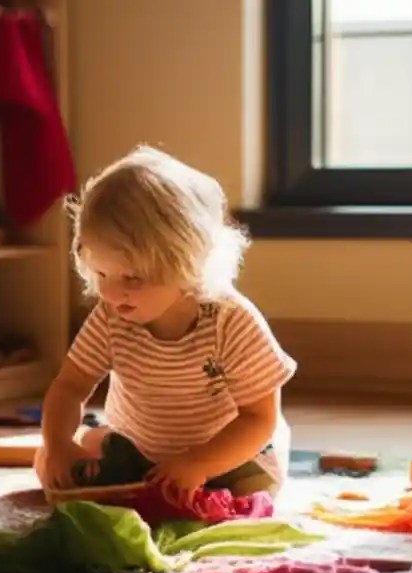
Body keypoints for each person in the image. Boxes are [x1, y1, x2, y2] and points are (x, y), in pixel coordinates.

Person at [35, 145, 296, 507]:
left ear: (189, 264)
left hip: (228, 456)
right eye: (100, 273)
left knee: (247, 498)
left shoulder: (230, 320)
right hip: (138, 449)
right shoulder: (112, 314)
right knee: (61, 471)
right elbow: (70, 385)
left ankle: (104, 443)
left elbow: (259, 418)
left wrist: (198, 464)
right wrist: (59, 444)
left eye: (131, 277)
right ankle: (95, 439)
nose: (110, 292)